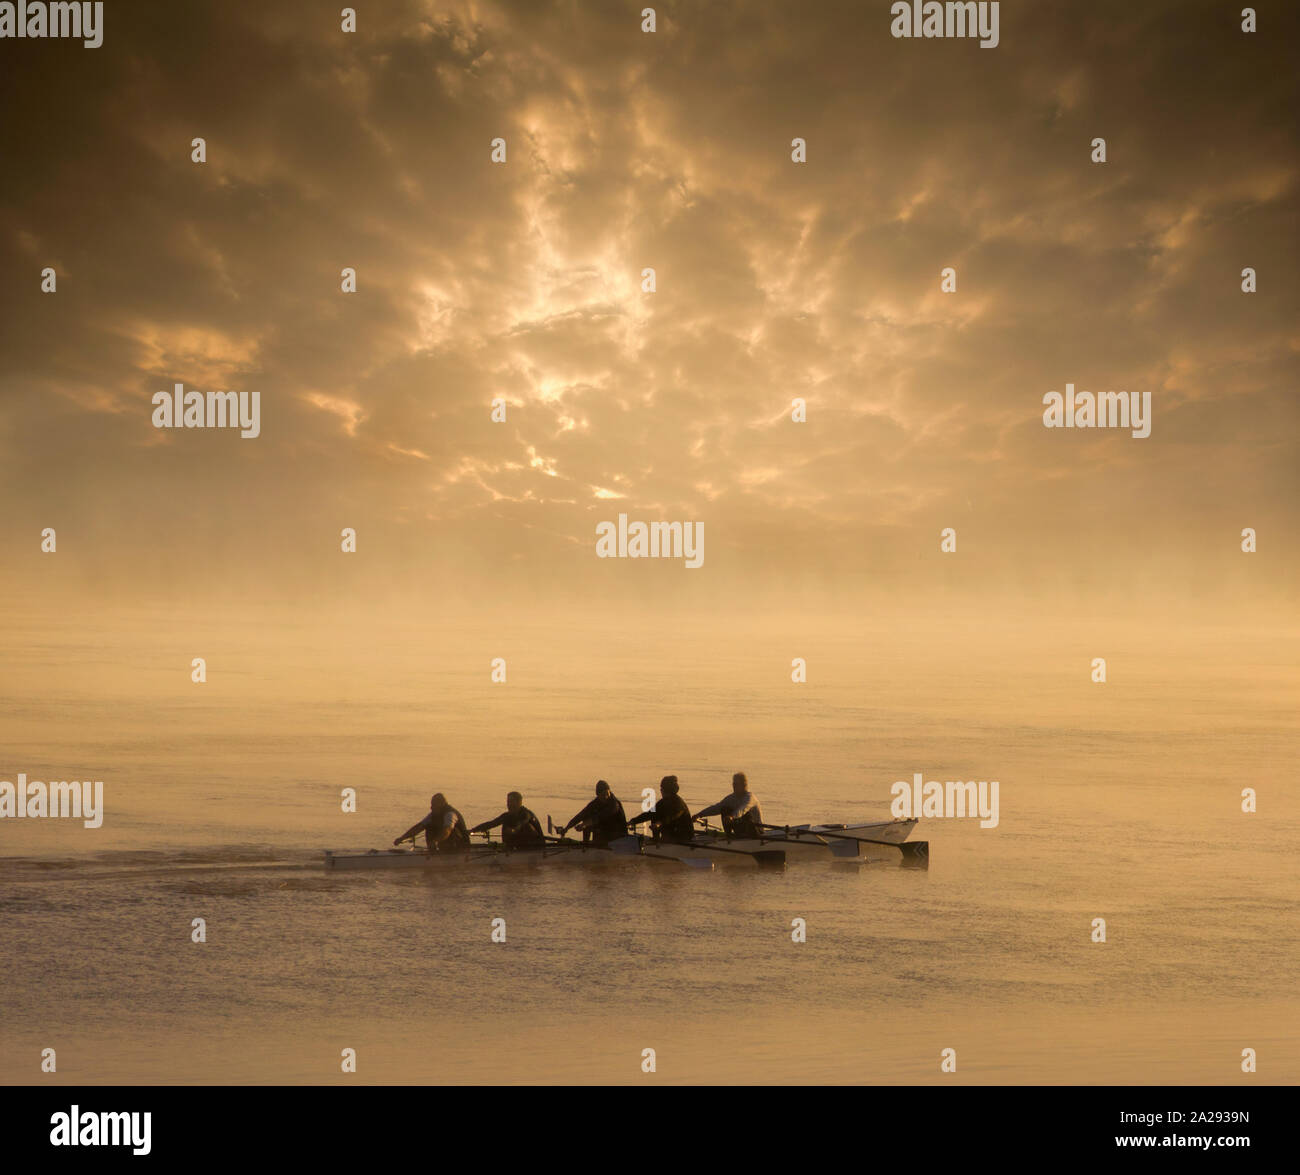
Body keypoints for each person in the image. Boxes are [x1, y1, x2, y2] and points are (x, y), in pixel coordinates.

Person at [693, 772, 764, 838]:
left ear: (744, 785)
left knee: (745, 815)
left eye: (736, 784)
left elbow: (742, 809)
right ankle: (729, 837)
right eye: (733, 784)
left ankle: (735, 840)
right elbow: (716, 808)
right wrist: (699, 815)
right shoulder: (731, 798)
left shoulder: (750, 798)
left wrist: (732, 817)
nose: (734, 786)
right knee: (724, 809)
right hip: (743, 830)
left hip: (757, 831)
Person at [626, 775, 695, 843]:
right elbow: (650, 814)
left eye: (661, 788)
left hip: (684, 837)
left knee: (658, 818)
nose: (660, 790)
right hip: (671, 835)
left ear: (666, 790)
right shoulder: (663, 802)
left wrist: (660, 823)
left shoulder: (679, 803)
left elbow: (672, 816)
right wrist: (633, 821)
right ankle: (656, 840)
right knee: (654, 814)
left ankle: (658, 844)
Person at [560, 780, 629, 846]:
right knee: (586, 818)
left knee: (588, 823)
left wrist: (584, 824)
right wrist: (566, 828)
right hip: (605, 832)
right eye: (603, 795)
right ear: (598, 795)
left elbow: (600, 817)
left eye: (607, 794)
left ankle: (589, 847)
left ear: (609, 791)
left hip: (619, 836)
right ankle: (585, 846)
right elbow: (581, 815)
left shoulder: (614, 804)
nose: (606, 797)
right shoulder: (595, 803)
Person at [395, 793, 469, 853]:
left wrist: (435, 841)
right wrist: (402, 838)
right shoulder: (433, 815)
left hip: (460, 848)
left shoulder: (450, 814)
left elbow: (447, 831)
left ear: (441, 804)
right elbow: (418, 827)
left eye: (433, 805)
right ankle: (434, 851)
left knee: (443, 830)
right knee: (428, 826)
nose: (431, 807)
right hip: (444, 847)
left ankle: (442, 853)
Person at [470, 792, 546, 847]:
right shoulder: (507, 816)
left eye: (511, 802)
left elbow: (522, 822)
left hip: (535, 848)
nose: (509, 804)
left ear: (519, 802)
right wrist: (472, 830)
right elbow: (491, 823)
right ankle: (509, 848)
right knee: (505, 822)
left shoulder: (526, 814)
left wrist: (514, 830)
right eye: (508, 802)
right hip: (517, 847)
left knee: (527, 826)